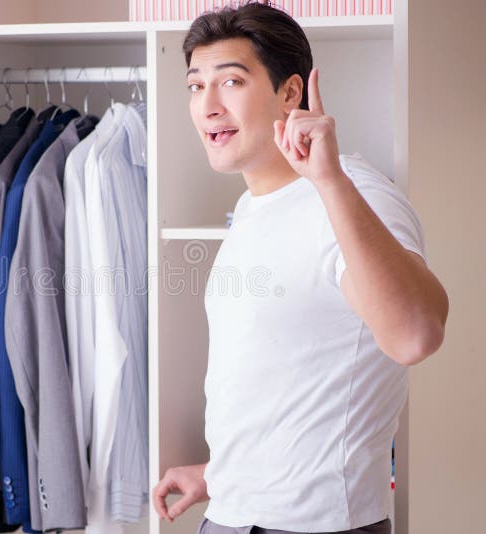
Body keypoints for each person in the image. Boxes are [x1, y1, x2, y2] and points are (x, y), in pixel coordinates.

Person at [151, 2, 449, 534]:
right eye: (196, 86)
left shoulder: (358, 195)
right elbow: (286, 378)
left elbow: (415, 336)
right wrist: (222, 474)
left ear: (291, 93)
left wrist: (330, 182)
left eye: (231, 81)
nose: (208, 105)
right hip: (233, 515)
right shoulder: (252, 206)